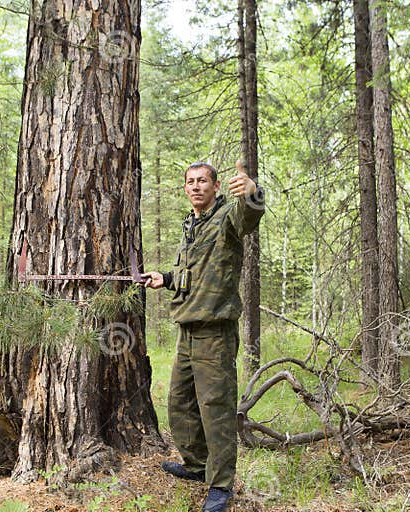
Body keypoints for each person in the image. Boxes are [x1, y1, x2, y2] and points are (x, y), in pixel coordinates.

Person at [142, 160, 265, 512]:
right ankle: (197, 467)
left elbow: (249, 216)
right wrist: (165, 278)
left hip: (215, 331)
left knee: (217, 411)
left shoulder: (226, 217)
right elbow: (192, 272)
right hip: (188, 330)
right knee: (180, 405)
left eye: (203, 181)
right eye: (190, 182)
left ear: (215, 187)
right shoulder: (191, 225)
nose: (196, 186)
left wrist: (253, 192)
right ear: (185, 188)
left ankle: (222, 486)